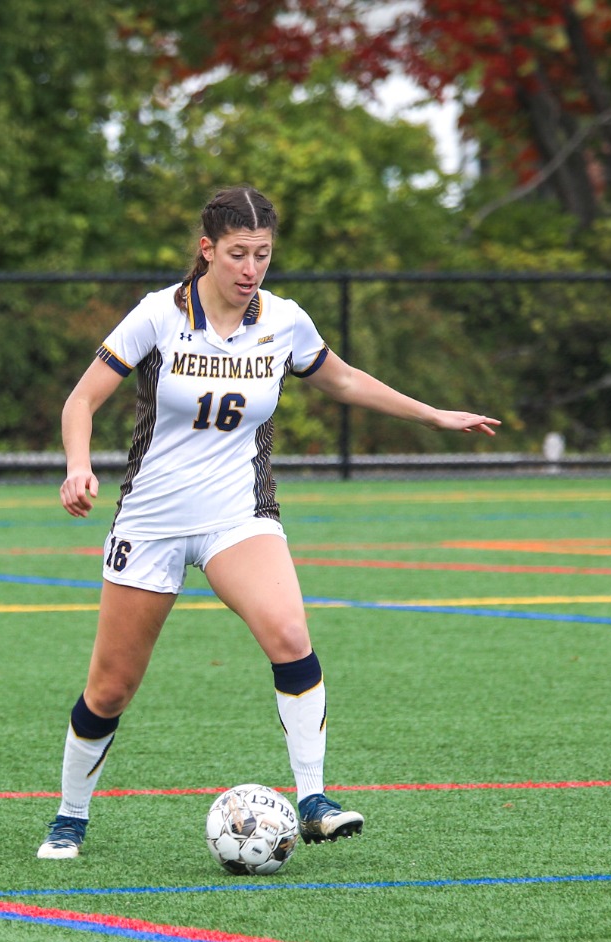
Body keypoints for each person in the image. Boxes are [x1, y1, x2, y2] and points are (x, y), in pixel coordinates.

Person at [38, 186, 500, 860]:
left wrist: (433, 414)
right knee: (110, 686)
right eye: (236, 254)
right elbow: (81, 399)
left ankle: (312, 799)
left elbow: (342, 380)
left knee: (289, 632)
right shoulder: (158, 316)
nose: (250, 268)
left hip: (239, 513)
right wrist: (78, 465)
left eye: (262, 254)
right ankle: (70, 816)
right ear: (207, 251)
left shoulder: (283, 321)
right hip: (154, 518)